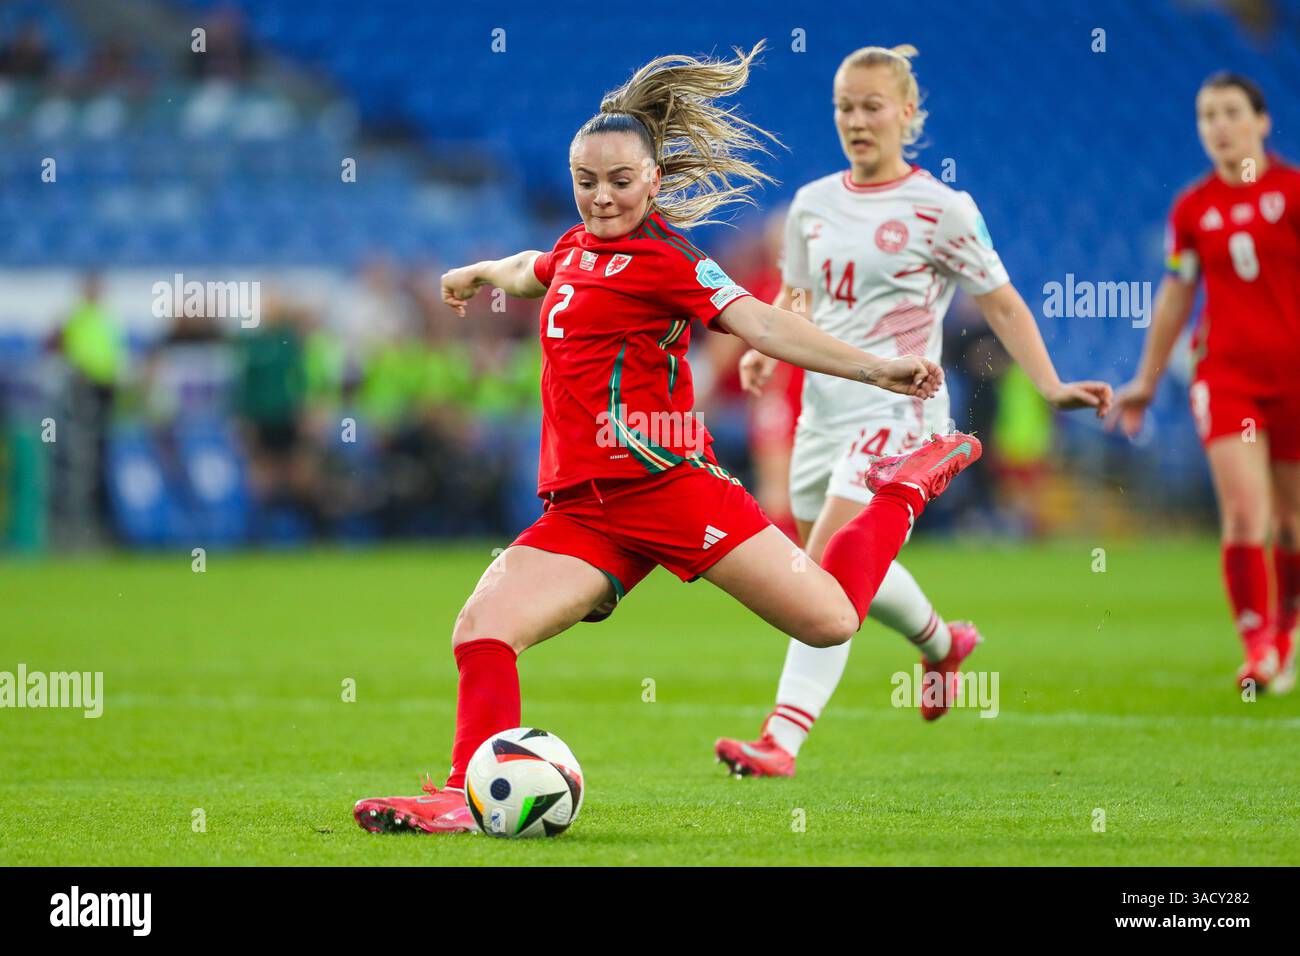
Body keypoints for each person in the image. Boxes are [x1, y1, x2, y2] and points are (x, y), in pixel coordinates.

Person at [353, 41, 980, 834]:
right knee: (481, 630)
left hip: (674, 491)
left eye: (620, 182)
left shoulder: (669, 262)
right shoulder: (576, 252)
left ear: (653, 180)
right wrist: (475, 272)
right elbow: (530, 268)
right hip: (584, 511)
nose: (602, 198)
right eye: (587, 183)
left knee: (831, 620)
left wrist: (872, 370)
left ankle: (904, 486)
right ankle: (462, 796)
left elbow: (760, 321)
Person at [714, 45, 1112, 777]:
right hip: (823, 412)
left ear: (907, 113)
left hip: (901, 412)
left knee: (827, 578)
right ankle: (942, 643)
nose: (857, 121)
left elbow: (1001, 300)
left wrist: (1051, 386)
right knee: (824, 567)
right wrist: (768, 345)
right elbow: (799, 298)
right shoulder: (810, 204)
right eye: (844, 107)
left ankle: (781, 739)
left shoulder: (942, 209)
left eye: (872, 106)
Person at [1111, 72, 1300, 694]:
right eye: (1206, 115)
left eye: (1230, 112)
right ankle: (1255, 650)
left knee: (1293, 520)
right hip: (1226, 375)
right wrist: (1145, 377)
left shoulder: (1292, 193)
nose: (1218, 126)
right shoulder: (1193, 208)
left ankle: (1283, 633)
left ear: (1262, 121)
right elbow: (1175, 292)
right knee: (1248, 511)